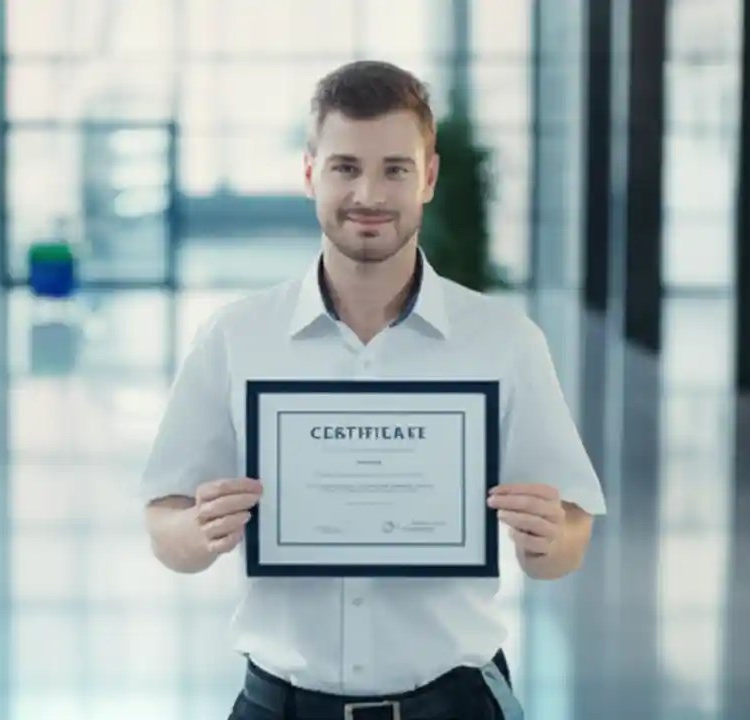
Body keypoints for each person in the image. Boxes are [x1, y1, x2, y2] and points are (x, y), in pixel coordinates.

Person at [140, 60, 607, 720]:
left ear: (430, 177)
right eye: (345, 167)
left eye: (395, 168)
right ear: (309, 174)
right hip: (280, 706)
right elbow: (165, 526)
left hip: (457, 704)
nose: (370, 193)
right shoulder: (234, 338)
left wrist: (545, 540)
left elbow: (570, 535)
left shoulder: (505, 342)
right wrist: (198, 529)